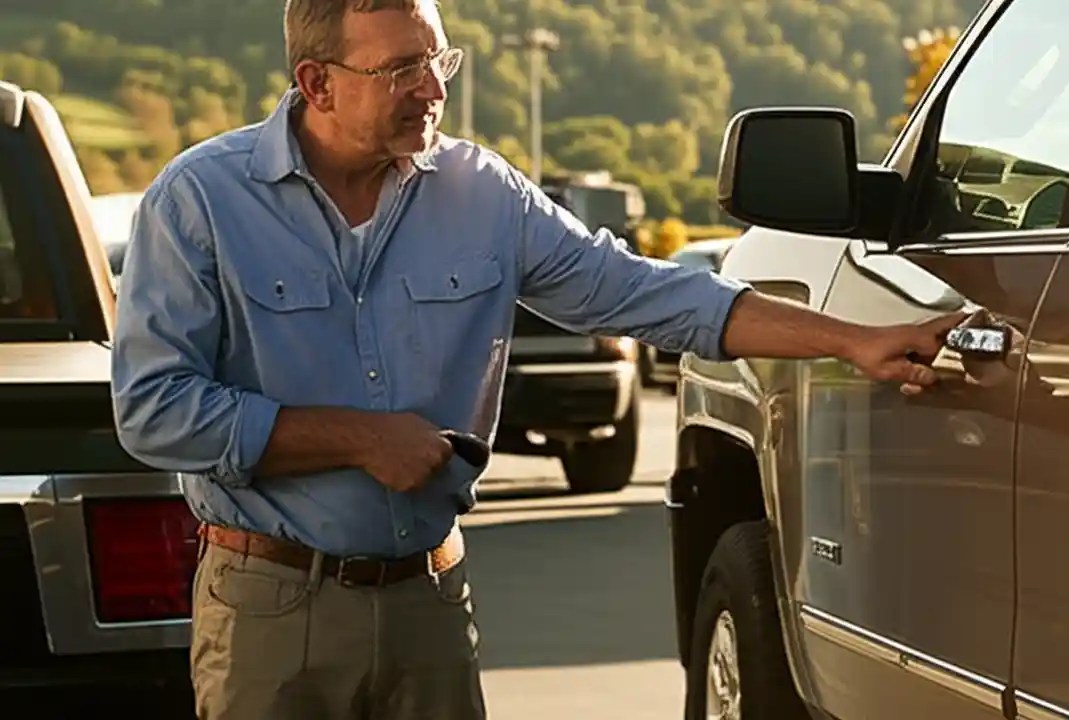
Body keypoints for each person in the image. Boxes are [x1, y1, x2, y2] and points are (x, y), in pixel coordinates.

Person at [108, 0, 965, 717]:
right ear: (316, 84)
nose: (433, 87)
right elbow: (154, 409)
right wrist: (362, 439)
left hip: (428, 603)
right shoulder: (200, 202)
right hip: (270, 608)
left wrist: (853, 339)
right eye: (401, 68)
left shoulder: (483, 194)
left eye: (440, 58)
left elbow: (645, 293)